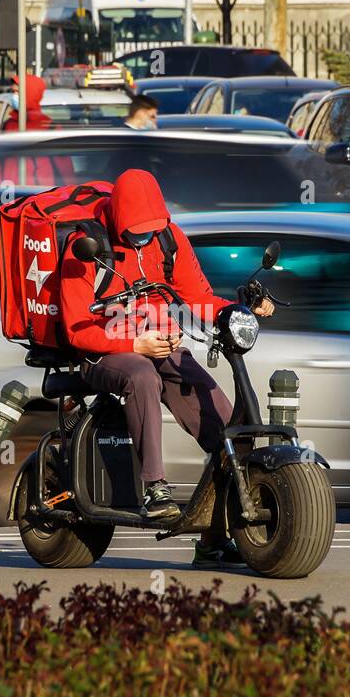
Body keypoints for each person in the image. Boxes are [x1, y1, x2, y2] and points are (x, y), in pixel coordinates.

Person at [58, 169, 275, 568]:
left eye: (153, 229)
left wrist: (237, 311)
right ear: (119, 219)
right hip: (102, 351)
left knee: (228, 431)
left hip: (161, 345)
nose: (145, 237)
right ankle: (155, 490)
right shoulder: (85, 245)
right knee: (141, 376)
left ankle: (213, 541)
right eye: (137, 231)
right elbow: (76, 329)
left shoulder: (168, 238)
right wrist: (133, 344)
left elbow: (196, 296)